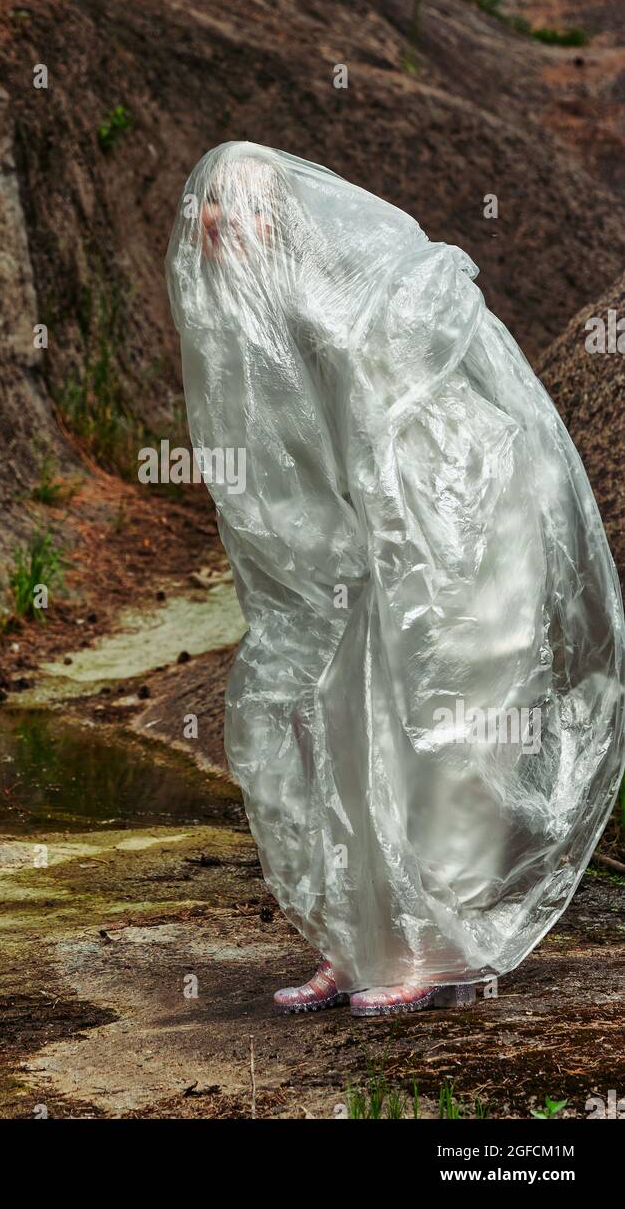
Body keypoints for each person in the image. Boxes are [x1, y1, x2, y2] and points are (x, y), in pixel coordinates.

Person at [165, 141, 625, 1017]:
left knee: (444, 732)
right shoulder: (248, 308)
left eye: (246, 207)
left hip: (465, 518)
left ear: (288, 219)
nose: (218, 223)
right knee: (345, 721)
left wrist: (414, 530)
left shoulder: (365, 284)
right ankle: (362, 943)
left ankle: (438, 946)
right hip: (386, 531)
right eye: (210, 206)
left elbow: (442, 397)